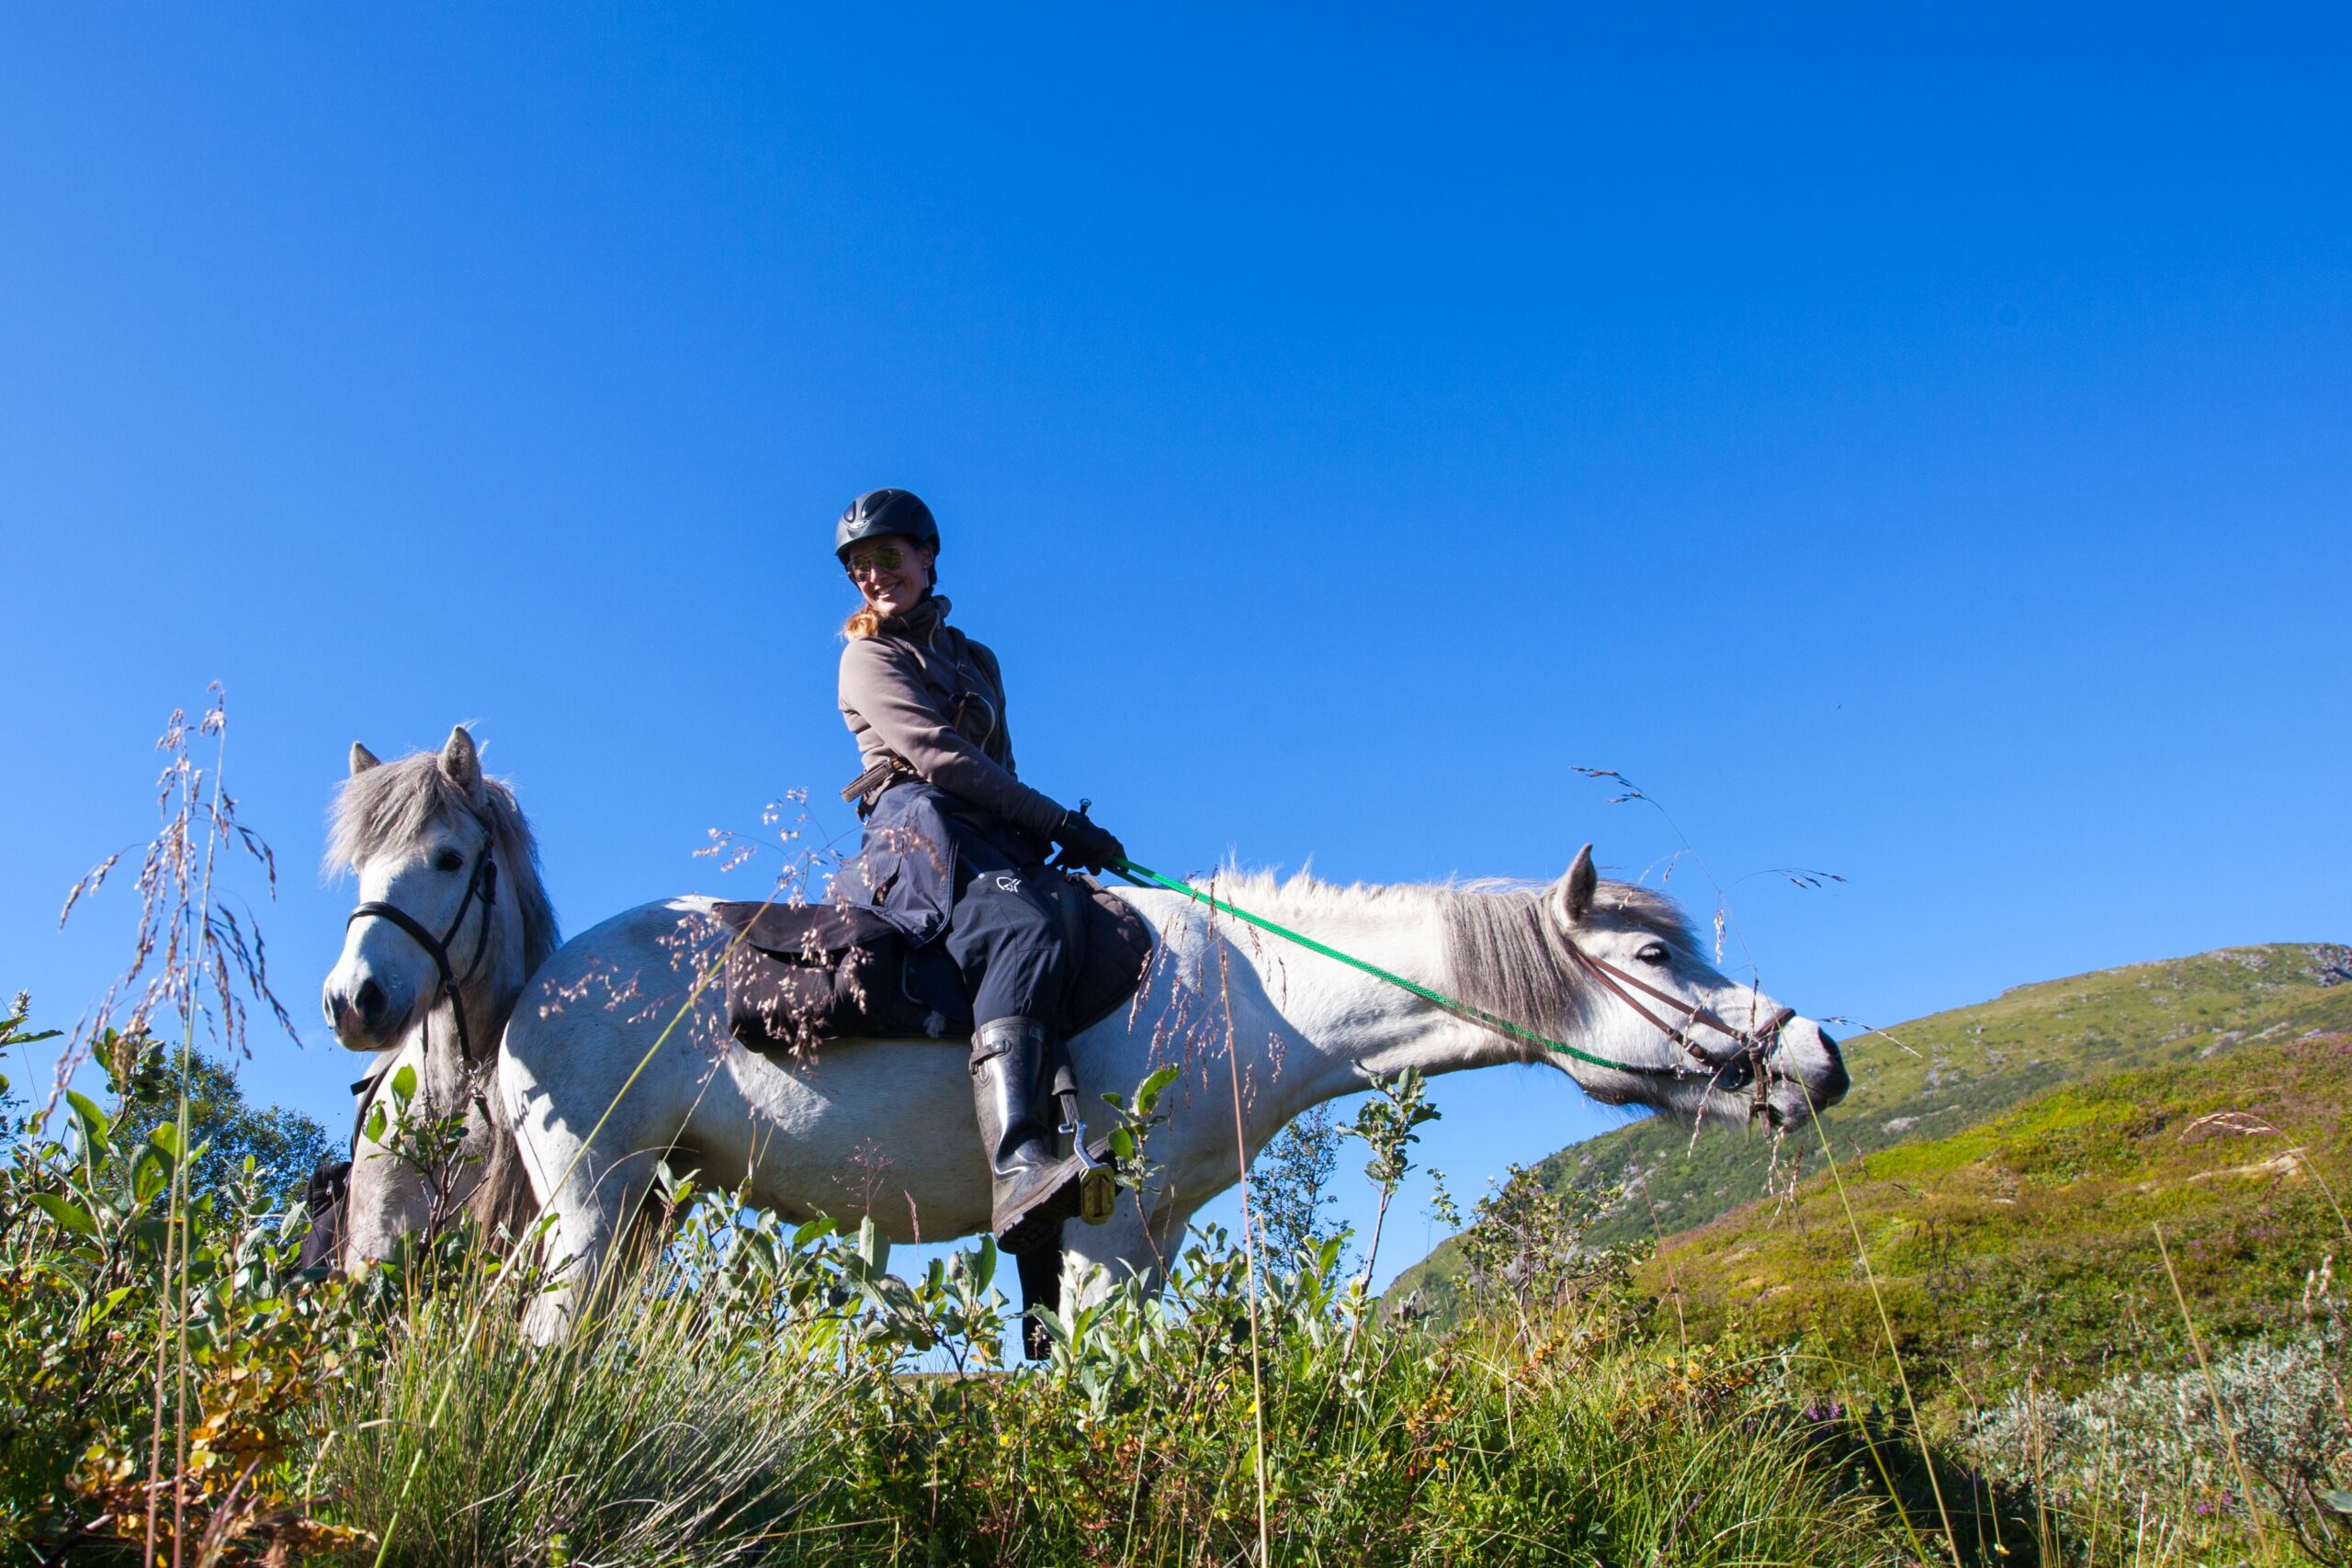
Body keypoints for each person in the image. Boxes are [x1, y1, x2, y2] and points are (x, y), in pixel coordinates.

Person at [831, 488, 1127, 1254]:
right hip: (915, 833)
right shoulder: (866, 656)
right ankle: (1016, 1166)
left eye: (886, 557)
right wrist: (1053, 818)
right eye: (859, 565)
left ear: (927, 557)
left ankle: (1050, 1249)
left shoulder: (979, 659)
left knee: (1069, 913)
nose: (872, 574)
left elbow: (1001, 766)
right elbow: (937, 755)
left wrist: (1054, 844)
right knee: (1020, 925)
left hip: (989, 835)